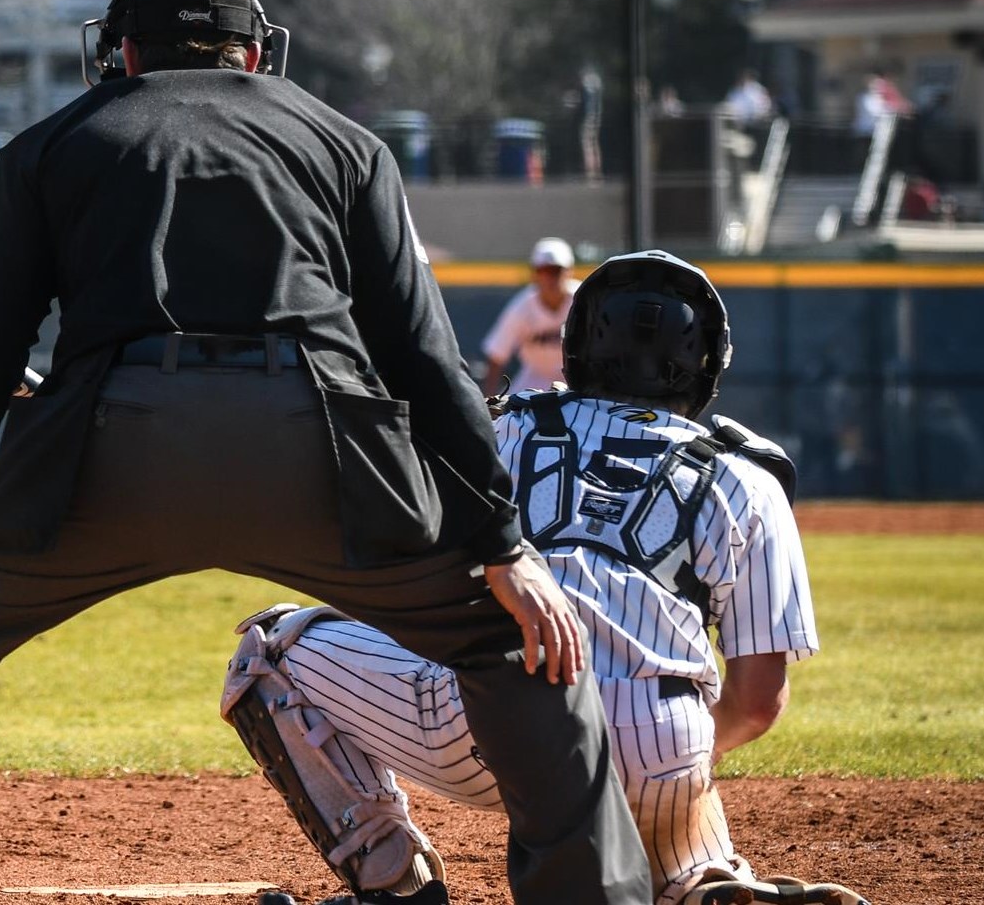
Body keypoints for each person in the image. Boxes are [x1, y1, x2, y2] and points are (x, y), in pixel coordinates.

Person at [0, 0, 650, 905]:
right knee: (521, 641)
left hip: (108, 454)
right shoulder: (348, 146)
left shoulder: (49, 146)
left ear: (124, 56)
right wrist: (503, 548)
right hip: (324, 453)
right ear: (254, 55)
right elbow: (425, 363)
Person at [221, 251, 865, 905]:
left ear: (578, 342)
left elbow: (397, 541)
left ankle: (393, 883)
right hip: (664, 741)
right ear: (707, 362)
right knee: (665, 781)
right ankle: (700, 881)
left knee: (267, 652)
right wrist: (695, 754)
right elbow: (758, 702)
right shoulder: (749, 481)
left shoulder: (508, 425)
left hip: (500, 726)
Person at [480, 236, 577, 396]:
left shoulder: (582, 300)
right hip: (535, 379)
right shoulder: (521, 307)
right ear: (534, 274)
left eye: (555, 270)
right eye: (543, 270)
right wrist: (488, 402)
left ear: (569, 271)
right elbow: (496, 355)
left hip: (577, 379)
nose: (549, 278)